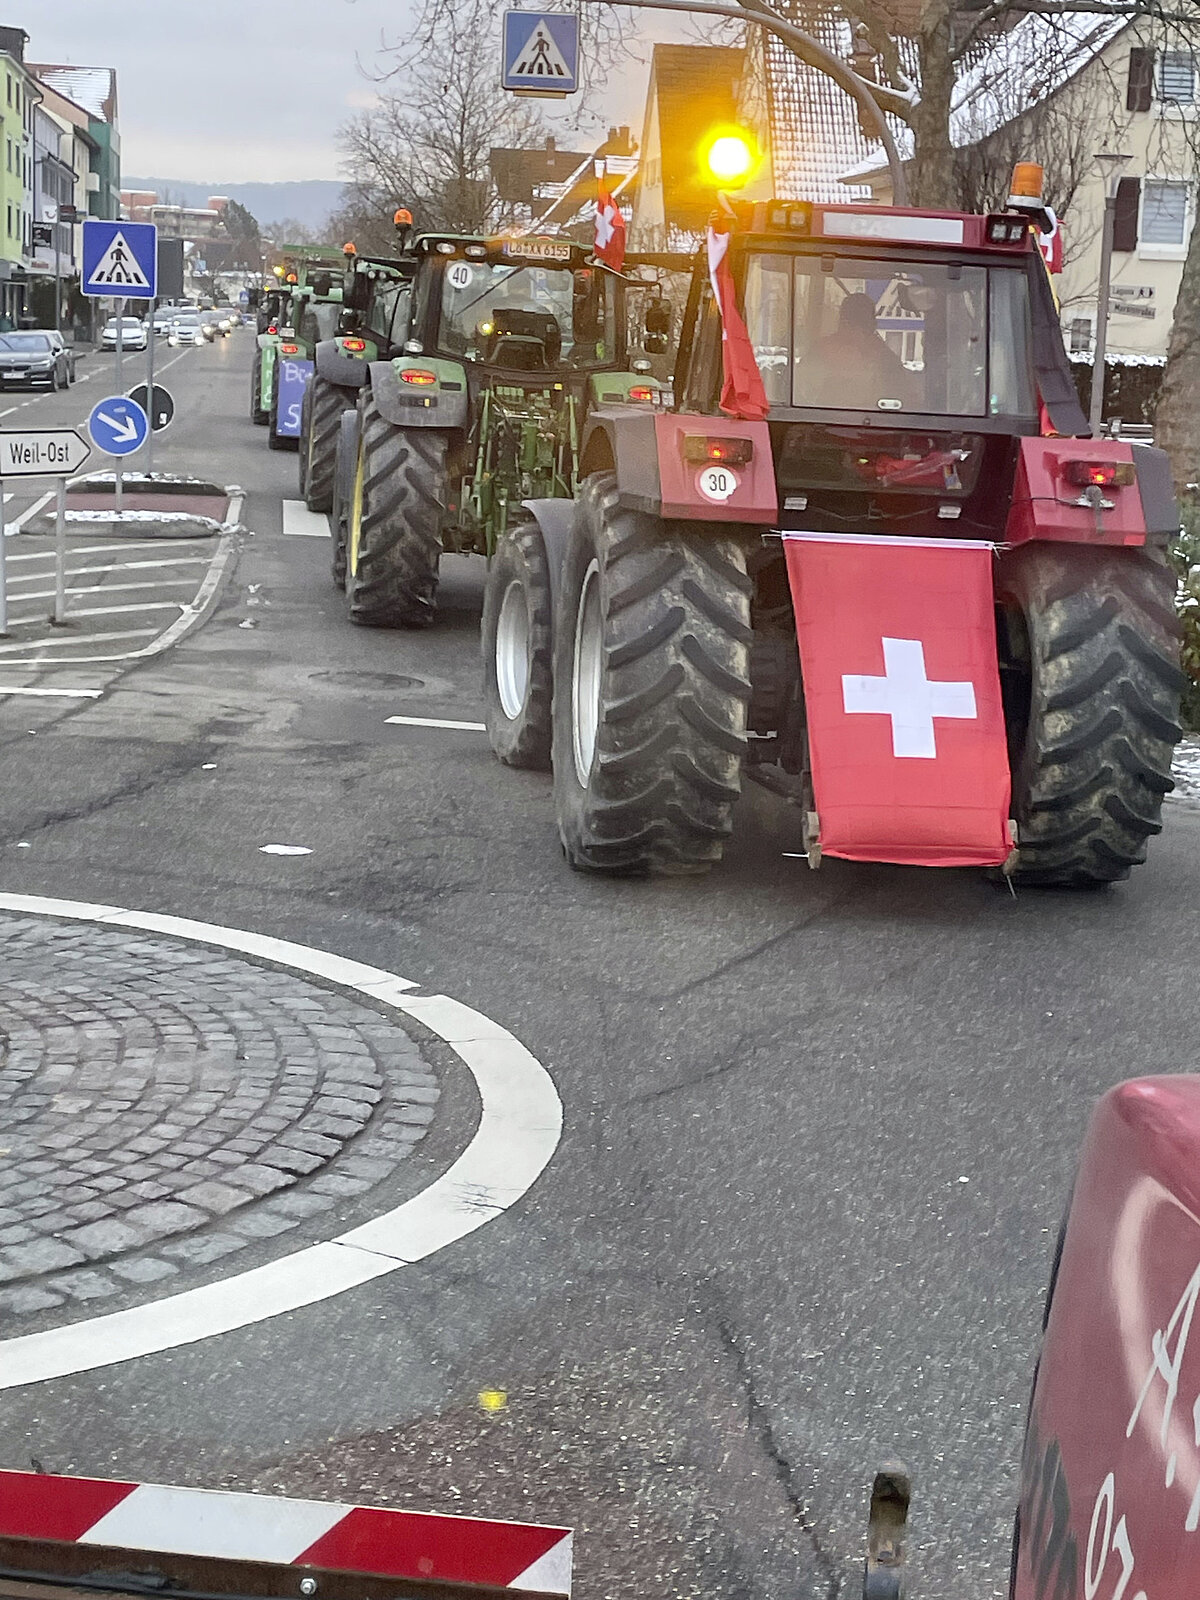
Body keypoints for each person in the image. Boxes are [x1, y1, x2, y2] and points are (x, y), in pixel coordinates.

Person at [796, 291, 922, 411]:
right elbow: (906, 399)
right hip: (872, 425)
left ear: (841, 320)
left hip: (824, 422)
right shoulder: (884, 356)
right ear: (872, 323)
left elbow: (800, 392)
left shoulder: (821, 349)